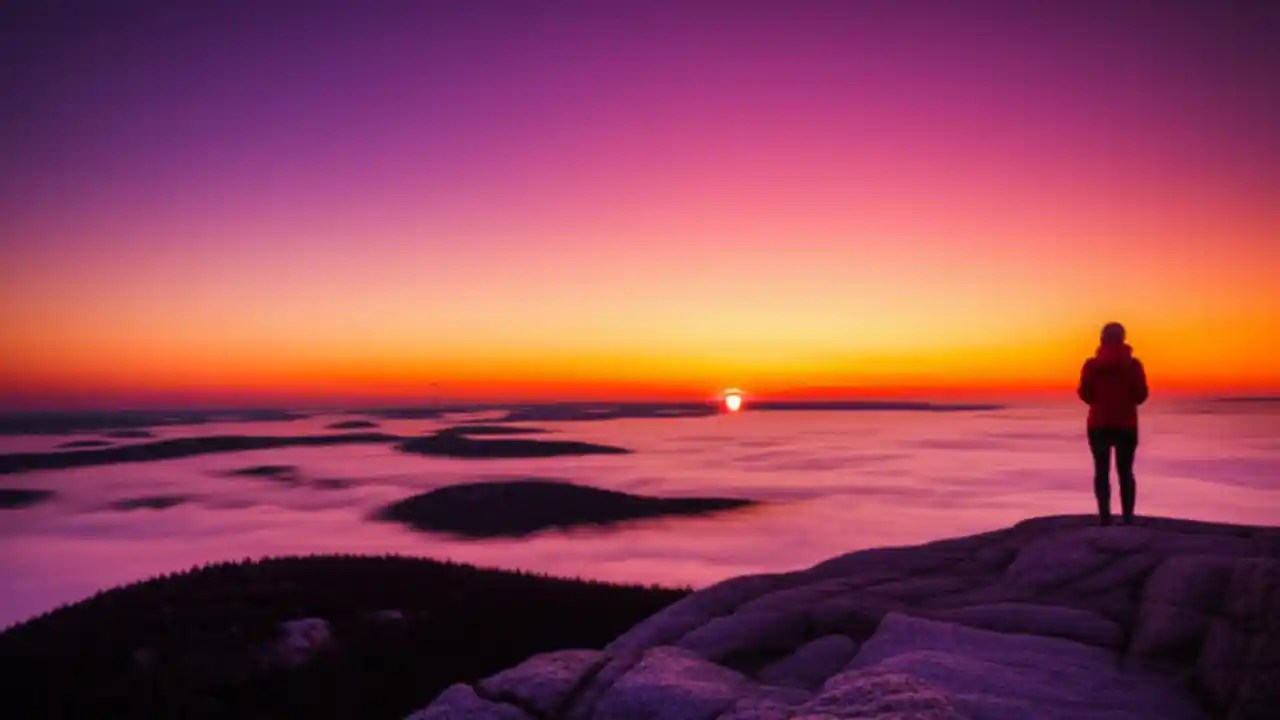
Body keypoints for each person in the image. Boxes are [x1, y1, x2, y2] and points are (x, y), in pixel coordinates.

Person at [1077, 322, 1148, 525]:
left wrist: (1101, 402)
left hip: (1099, 425)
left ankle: (1105, 518)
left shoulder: (1091, 365)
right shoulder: (1133, 365)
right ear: (1123, 338)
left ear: (1102, 338)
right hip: (1126, 424)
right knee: (1125, 472)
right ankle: (1127, 518)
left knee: (1101, 471)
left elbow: (1085, 394)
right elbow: (1141, 395)